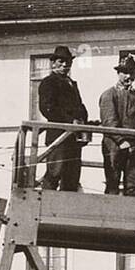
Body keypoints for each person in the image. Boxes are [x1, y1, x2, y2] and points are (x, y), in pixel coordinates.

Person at [38, 45, 89, 191]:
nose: (65, 65)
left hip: (73, 138)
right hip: (58, 136)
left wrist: (84, 120)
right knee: (55, 173)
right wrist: (69, 121)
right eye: (61, 61)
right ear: (53, 63)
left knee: (72, 176)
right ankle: (46, 208)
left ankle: (65, 211)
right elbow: (47, 108)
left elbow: (80, 106)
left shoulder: (72, 84)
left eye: (68, 62)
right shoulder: (49, 82)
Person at [98, 55, 135, 196]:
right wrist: (122, 141)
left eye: (132, 72)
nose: (129, 76)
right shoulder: (109, 95)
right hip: (114, 146)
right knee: (113, 183)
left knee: (134, 185)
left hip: (134, 147)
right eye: (125, 72)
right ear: (118, 73)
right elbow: (109, 122)